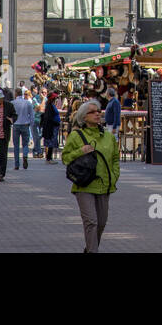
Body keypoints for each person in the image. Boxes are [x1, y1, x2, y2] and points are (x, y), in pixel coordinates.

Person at [62, 99, 121, 253]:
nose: (97, 114)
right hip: (84, 185)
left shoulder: (108, 137)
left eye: (98, 111)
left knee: (101, 223)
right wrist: (81, 151)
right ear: (84, 117)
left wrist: (114, 176)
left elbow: (115, 158)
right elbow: (65, 158)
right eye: (93, 112)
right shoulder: (76, 136)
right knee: (91, 222)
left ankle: (89, 248)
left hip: (104, 185)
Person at [12, 87, 35, 169]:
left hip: (16, 125)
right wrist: (31, 124)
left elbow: (10, 115)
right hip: (25, 124)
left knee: (16, 145)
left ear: (15, 94)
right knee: (25, 144)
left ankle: (16, 164)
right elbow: (32, 115)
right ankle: (25, 155)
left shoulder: (13, 103)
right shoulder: (27, 103)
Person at [40, 90, 62, 161]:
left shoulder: (51, 105)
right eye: (55, 98)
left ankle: (49, 157)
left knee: (51, 143)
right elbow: (49, 117)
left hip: (53, 126)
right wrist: (55, 123)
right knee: (51, 143)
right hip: (51, 127)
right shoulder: (50, 106)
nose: (56, 100)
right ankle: (49, 158)